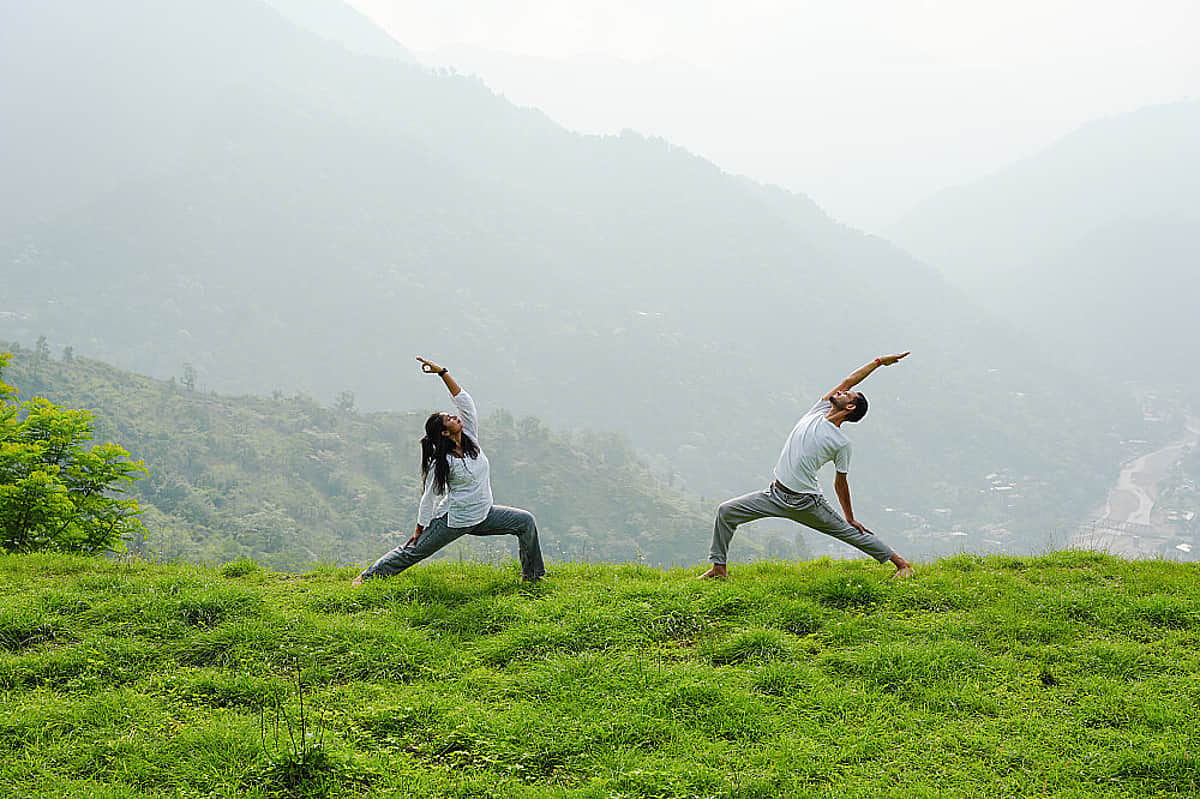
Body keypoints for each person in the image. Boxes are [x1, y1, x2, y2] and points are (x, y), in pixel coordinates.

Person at [699, 353, 915, 580]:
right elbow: (850, 379)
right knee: (726, 511)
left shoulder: (841, 443)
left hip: (806, 502)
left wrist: (849, 516)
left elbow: (841, 481)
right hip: (774, 494)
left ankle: (902, 565)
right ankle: (719, 569)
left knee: (851, 533)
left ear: (850, 406)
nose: (840, 391)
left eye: (846, 394)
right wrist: (879, 362)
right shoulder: (818, 410)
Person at [352, 357, 546, 584]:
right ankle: (366, 578)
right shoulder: (442, 462)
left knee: (525, 522)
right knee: (414, 551)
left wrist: (442, 372)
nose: (456, 417)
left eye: (452, 416)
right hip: (454, 520)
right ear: (444, 433)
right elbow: (429, 498)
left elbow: (465, 402)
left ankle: (532, 577)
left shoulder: (470, 438)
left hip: (484, 514)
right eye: (450, 419)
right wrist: (419, 529)